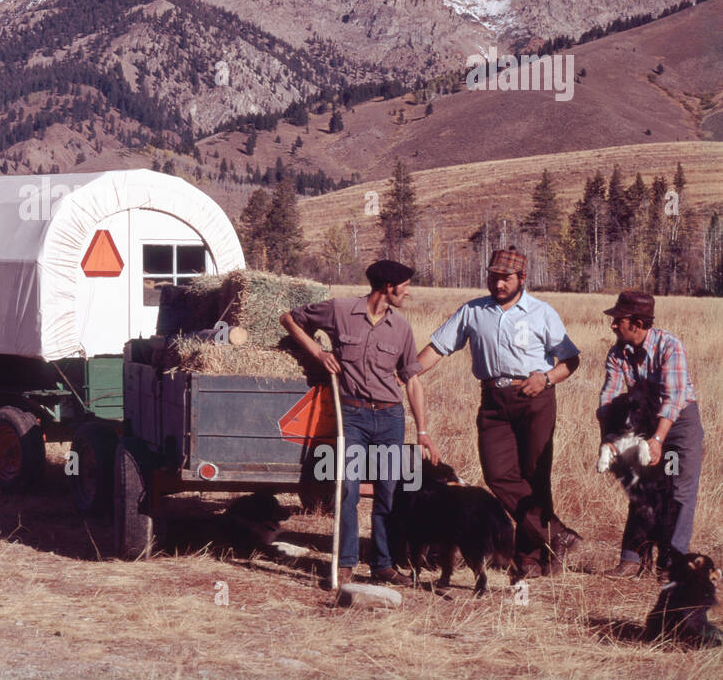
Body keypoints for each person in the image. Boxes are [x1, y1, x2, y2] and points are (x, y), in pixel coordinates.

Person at [416, 246, 581, 580]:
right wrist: (407, 373)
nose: (498, 284)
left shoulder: (541, 312)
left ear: (522, 278)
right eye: (493, 277)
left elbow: (570, 361)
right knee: (498, 475)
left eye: (505, 278)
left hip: (534, 397)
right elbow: (438, 348)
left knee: (535, 477)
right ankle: (557, 536)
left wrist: (546, 378)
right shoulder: (473, 311)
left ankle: (532, 558)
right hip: (493, 400)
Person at [280, 259, 431, 588]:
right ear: (387, 287)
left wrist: (422, 431)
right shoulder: (340, 310)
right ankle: (345, 563)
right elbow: (289, 319)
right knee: (347, 488)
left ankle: (383, 565)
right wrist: (319, 353)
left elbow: (413, 381)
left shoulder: (402, 328)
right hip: (353, 415)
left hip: (391, 418)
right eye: (404, 285)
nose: (408, 291)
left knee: (388, 493)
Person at [597, 291, 704, 581]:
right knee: (639, 489)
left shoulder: (670, 346)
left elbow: (673, 399)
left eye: (619, 320)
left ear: (638, 323)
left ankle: (672, 562)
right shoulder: (617, 353)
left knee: (677, 490)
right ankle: (632, 560)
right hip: (641, 427)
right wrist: (609, 437)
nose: (613, 325)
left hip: (676, 428)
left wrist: (657, 441)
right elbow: (609, 396)